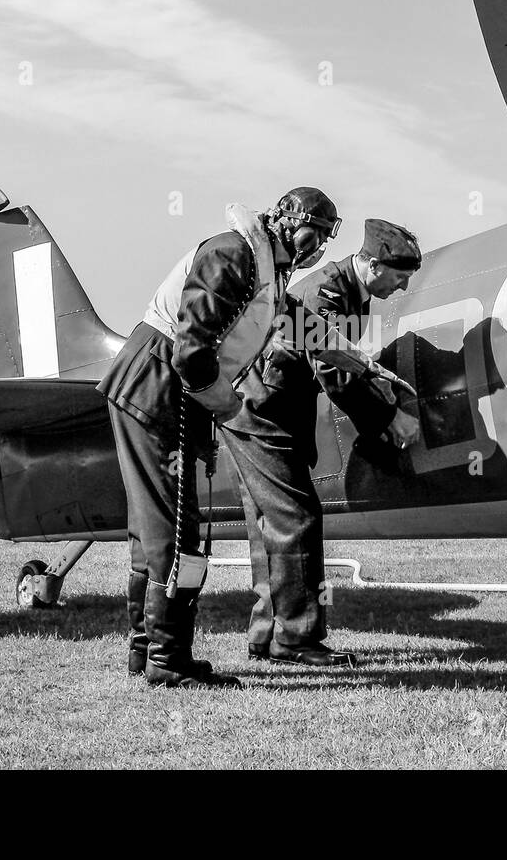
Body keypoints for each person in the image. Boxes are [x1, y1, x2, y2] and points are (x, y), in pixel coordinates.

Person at [97, 187, 341, 688]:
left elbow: (301, 323)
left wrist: (359, 362)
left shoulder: (267, 274)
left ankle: (147, 651)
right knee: (174, 530)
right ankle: (168, 658)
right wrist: (228, 406)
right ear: (287, 220)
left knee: (156, 528)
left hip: (172, 394)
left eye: (323, 239)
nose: (316, 247)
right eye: (312, 232)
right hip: (156, 387)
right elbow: (190, 352)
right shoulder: (232, 254)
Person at [222, 218, 423, 667]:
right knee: (298, 518)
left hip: (255, 410)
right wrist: (388, 417)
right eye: (399, 275)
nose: (403, 286)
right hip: (265, 412)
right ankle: (296, 640)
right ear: (371, 264)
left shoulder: (349, 291)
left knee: (269, 527)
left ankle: (268, 634)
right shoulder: (330, 290)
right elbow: (331, 365)